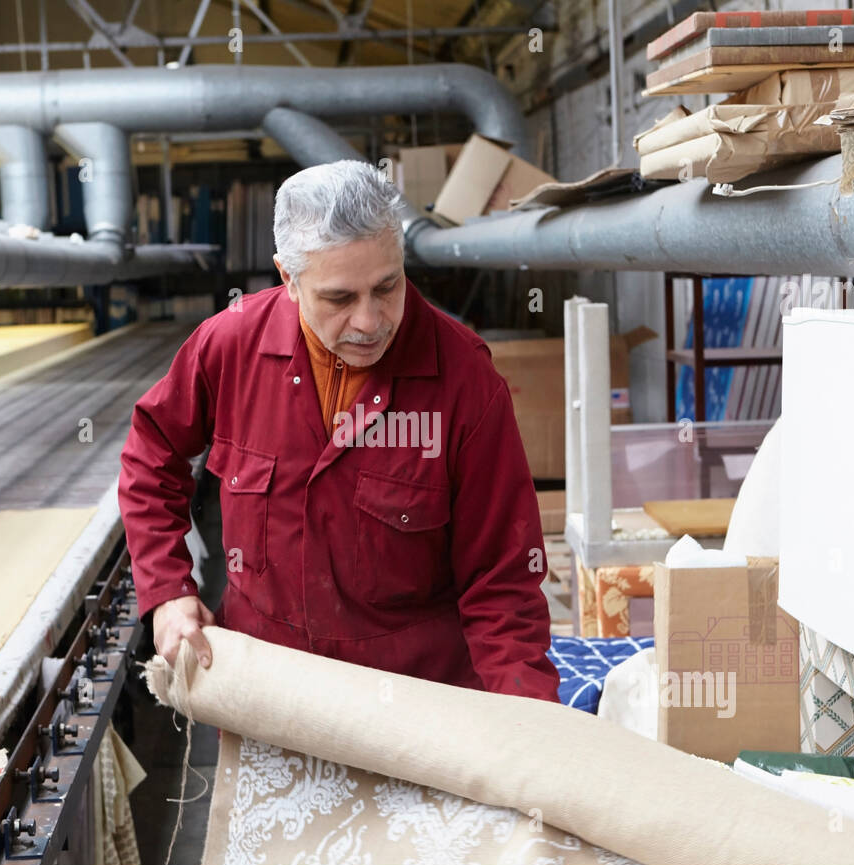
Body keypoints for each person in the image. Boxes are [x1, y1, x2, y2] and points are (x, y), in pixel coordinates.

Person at [118, 159, 559, 701]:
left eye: (387, 286)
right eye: (340, 298)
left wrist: (527, 720)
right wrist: (167, 589)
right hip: (266, 695)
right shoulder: (229, 347)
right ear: (288, 279)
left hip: (414, 702)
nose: (370, 322)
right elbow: (152, 452)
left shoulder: (465, 380)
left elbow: (503, 582)